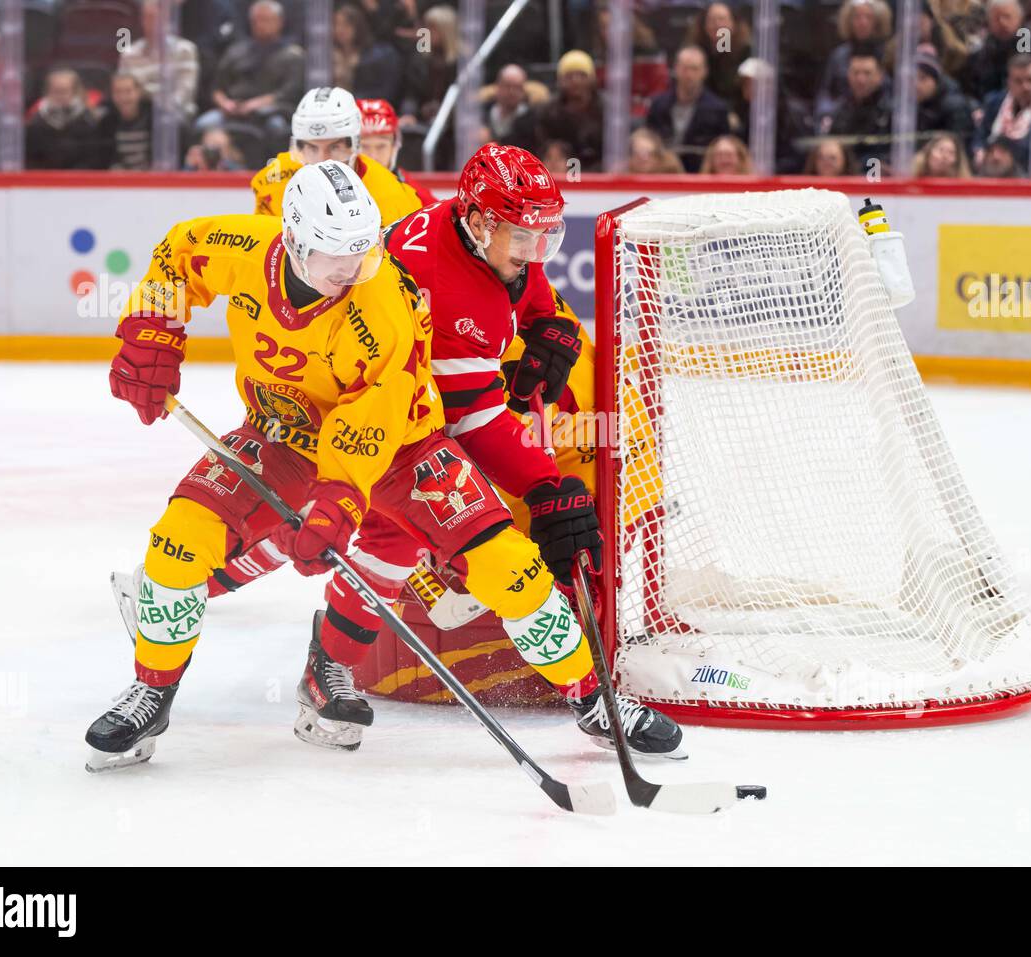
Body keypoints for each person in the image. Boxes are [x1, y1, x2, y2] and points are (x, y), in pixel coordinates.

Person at [88, 157, 684, 767]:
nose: (352, 271)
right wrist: (151, 331)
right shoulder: (241, 245)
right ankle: (150, 692)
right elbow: (177, 256)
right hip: (281, 433)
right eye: (334, 257)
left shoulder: (383, 304)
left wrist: (338, 497)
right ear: (292, 238)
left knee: (511, 569)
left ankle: (592, 700)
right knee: (178, 542)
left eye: (362, 252)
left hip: (404, 448)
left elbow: (372, 419)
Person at [250, 87, 419, 227]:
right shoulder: (274, 178)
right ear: (298, 146)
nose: (322, 160)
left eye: (335, 147)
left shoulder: (394, 198)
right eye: (311, 147)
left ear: (355, 145)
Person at [198, 0, 305, 145]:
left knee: (277, 127)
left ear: (280, 22)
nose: (260, 25)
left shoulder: (293, 55)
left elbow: (290, 92)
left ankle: (276, 167)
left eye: (266, 20)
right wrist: (225, 103)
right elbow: (217, 87)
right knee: (204, 124)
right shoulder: (235, 51)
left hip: (271, 112)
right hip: (233, 111)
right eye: (256, 20)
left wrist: (255, 104)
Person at [644, 45, 732, 174]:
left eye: (694, 69)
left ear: (704, 71)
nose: (689, 75)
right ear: (676, 69)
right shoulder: (658, 105)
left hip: (701, 175)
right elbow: (649, 139)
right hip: (661, 174)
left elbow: (722, 145)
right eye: (685, 68)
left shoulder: (718, 109)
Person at [118, 0, 201, 121]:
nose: (150, 24)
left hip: (176, 116)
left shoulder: (185, 51)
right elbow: (124, 90)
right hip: (139, 115)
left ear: (166, 20)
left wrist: (155, 103)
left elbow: (184, 94)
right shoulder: (129, 54)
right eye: (147, 18)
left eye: (156, 18)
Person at [356, 96, 435, 205]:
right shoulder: (330, 189)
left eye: (381, 146)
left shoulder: (415, 193)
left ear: (395, 147)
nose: (373, 156)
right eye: (364, 146)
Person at [827, 48, 893, 173]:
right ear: (848, 75)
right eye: (856, 73)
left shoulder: (891, 111)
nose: (860, 79)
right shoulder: (840, 110)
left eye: (867, 73)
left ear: (880, 76)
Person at [25, 68, 104, 170]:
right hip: (44, 181)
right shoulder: (37, 121)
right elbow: (31, 158)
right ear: (47, 92)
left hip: (78, 180)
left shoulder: (88, 120)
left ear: (75, 92)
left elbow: (94, 158)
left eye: (64, 91)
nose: (60, 96)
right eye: (56, 91)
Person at [99, 72, 153, 170]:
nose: (123, 98)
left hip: (152, 181)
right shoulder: (106, 123)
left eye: (128, 91)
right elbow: (102, 160)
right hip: (120, 182)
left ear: (138, 92)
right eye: (118, 92)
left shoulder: (155, 119)